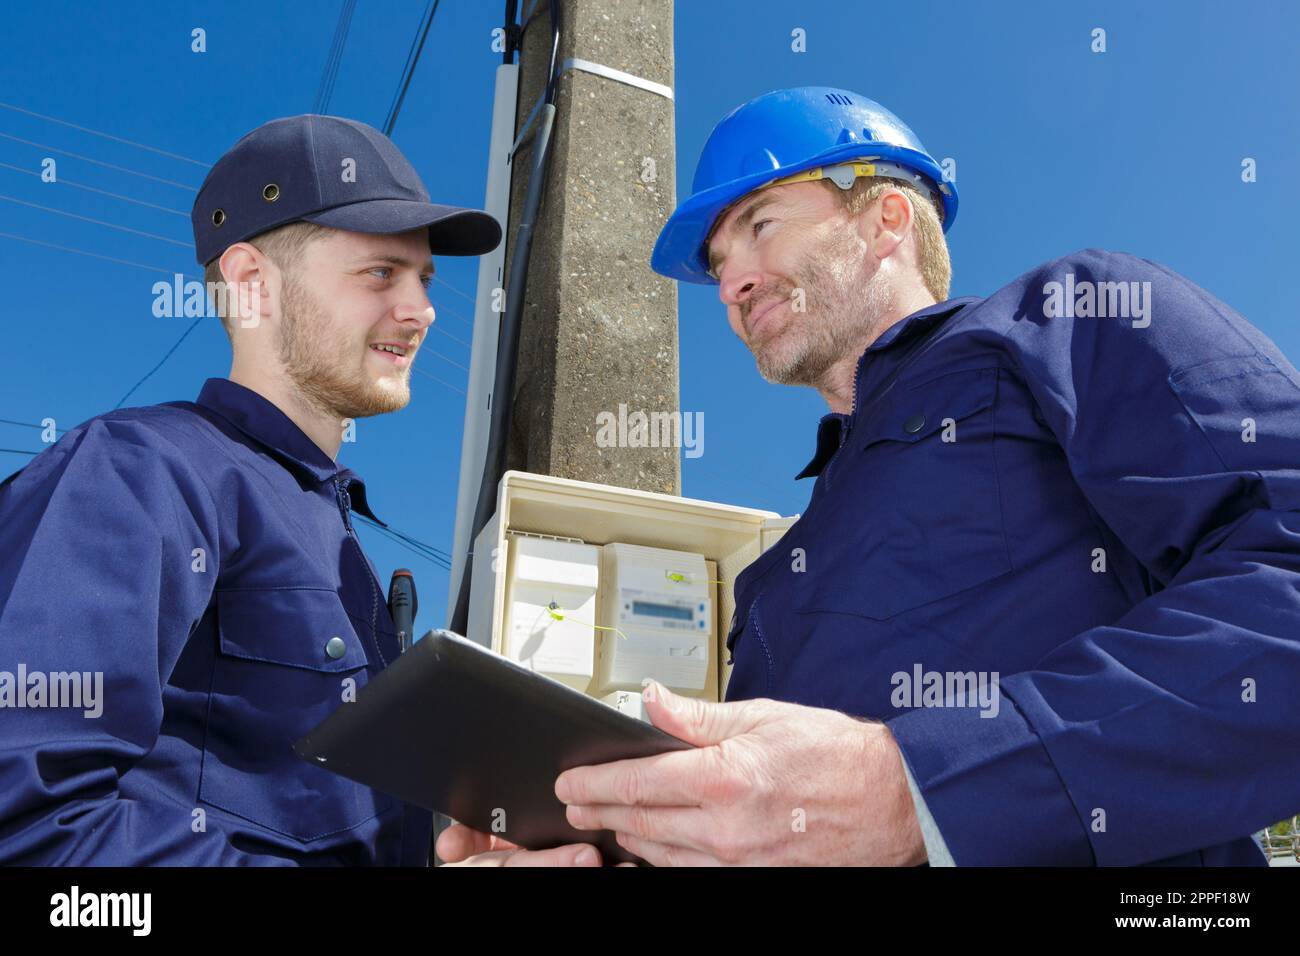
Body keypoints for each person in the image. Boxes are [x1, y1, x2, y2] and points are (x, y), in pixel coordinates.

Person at [438, 86, 1300, 866]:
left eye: (762, 223)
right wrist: (613, 840)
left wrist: (917, 788)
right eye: (718, 262)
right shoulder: (785, 565)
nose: (731, 280)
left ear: (887, 218)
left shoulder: (1070, 319)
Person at [0, 114, 500, 865]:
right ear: (251, 283)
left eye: (424, 279)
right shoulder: (138, 474)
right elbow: (32, 825)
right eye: (380, 273)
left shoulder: (337, 541)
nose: (422, 310)